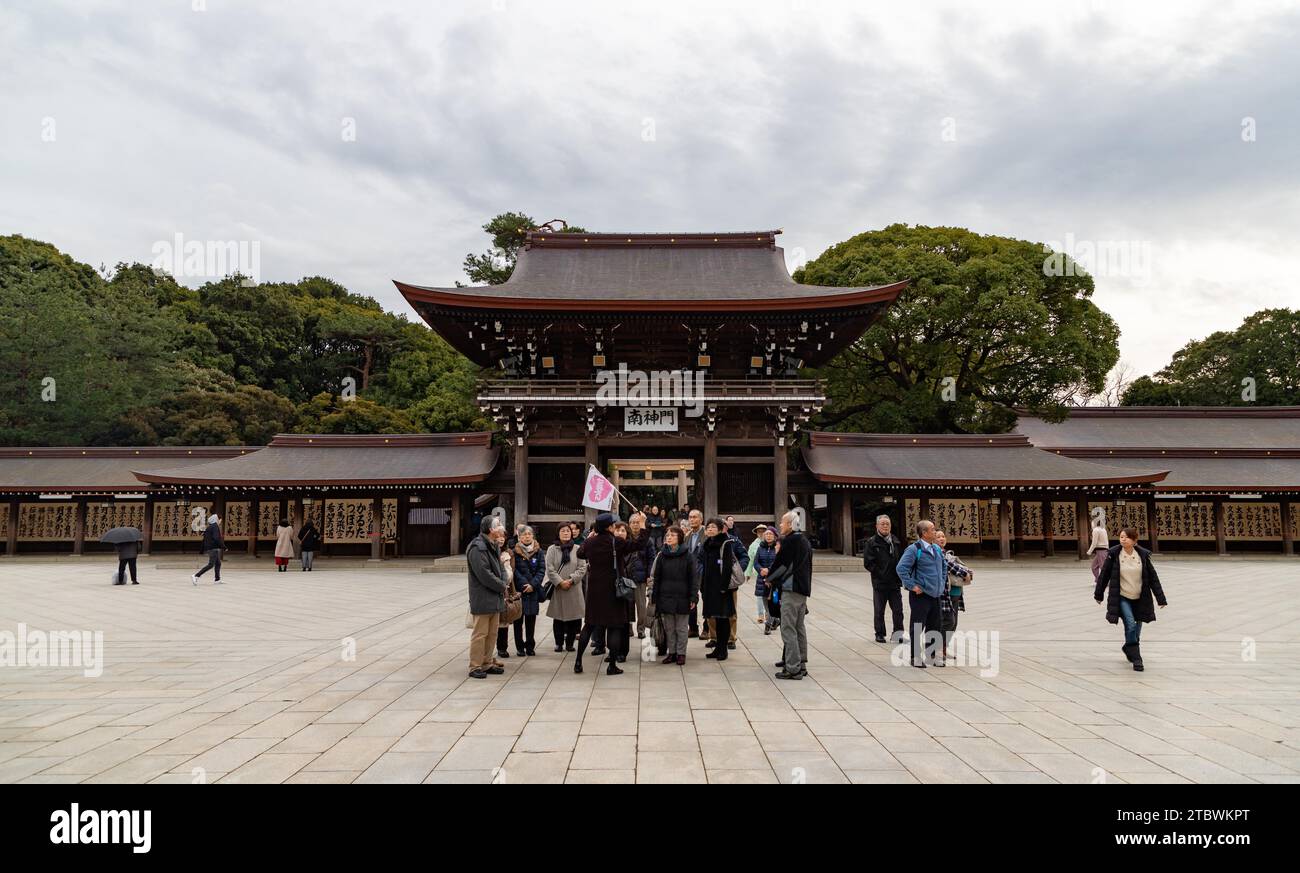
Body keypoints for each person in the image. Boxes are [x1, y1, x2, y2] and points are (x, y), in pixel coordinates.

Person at [1094, 526, 1167, 672]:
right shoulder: (1114, 554)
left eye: (1126, 537)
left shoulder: (1143, 555)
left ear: (1134, 540)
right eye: (1121, 537)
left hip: (1140, 596)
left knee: (1137, 627)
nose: (1123, 539)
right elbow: (1104, 575)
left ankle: (1129, 647)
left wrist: (1161, 598)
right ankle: (1137, 658)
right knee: (1130, 624)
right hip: (1122, 596)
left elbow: (1153, 578)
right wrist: (1099, 594)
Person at [574, 512, 634, 675]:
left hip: (594, 590)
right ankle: (612, 665)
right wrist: (642, 526)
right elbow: (638, 544)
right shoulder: (617, 542)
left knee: (589, 625)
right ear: (609, 527)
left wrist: (590, 537)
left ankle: (578, 662)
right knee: (614, 627)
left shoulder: (591, 542)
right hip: (613, 590)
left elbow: (580, 553)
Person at [768, 511, 813, 679]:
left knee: (788, 628)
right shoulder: (804, 540)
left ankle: (792, 668)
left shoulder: (791, 541)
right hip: (802, 590)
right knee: (799, 627)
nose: (780, 525)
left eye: (782, 522)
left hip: (791, 589)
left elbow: (781, 565)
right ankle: (801, 664)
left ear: (790, 524)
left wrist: (770, 578)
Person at [896, 520, 946, 668]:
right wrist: (912, 586)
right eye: (932, 529)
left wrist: (941, 584)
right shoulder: (914, 549)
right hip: (920, 595)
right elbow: (901, 568)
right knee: (918, 627)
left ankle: (932, 656)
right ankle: (915, 657)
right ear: (924, 533)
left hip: (936, 594)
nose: (935, 531)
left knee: (935, 626)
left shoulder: (936, 549)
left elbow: (943, 567)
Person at [649, 526, 699, 665]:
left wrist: (693, 596)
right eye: (667, 535)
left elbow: (693, 578)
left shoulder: (688, 556)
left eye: (672, 535)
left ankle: (681, 653)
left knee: (681, 628)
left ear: (680, 538)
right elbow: (657, 577)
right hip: (665, 596)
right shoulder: (662, 555)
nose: (668, 537)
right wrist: (654, 596)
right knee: (669, 628)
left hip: (683, 596)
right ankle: (672, 652)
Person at [466, 517, 508, 679]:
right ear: (491, 530)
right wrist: (502, 585)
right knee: (480, 633)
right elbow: (484, 574)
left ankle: (487, 662)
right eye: (498, 525)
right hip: (483, 597)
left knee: (492, 633)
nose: (502, 527)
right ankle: (475, 665)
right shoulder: (478, 547)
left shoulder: (494, 545)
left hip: (495, 596)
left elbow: (501, 568)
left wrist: (503, 581)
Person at [698, 519, 740, 661]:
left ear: (721, 529)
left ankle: (723, 649)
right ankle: (717, 648)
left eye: (713, 527)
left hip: (722, 587)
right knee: (715, 617)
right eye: (708, 527)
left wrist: (723, 587)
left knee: (723, 618)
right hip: (709, 587)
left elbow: (727, 566)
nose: (710, 529)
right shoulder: (707, 544)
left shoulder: (725, 543)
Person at [545, 522, 586, 653]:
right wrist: (560, 582)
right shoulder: (552, 549)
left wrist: (571, 579)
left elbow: (582, 567)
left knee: (574, 618)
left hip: (573, 587)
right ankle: (558, 643)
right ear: (558, 533)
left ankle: (570, 643)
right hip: (559, 588)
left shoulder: (578, 548)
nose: (566, 533)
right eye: (563, 531)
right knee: (558, 618)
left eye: (568, 531)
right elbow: (550, 569)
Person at [864, 515, 905, 644]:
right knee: (879, 610)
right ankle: (880, 633)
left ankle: (898, 633)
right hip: (880, 583)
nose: (885, 526)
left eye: (887, 524)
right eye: (882, 524)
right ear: (877, 526)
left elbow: (902, 560)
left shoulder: (895, 541)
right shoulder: (872, 542)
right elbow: (868, 563)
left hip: (894, 583)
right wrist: (879, 573)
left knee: (898, 610)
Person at [935, 530, 973, 659]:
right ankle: (938, 648)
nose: (941, 539)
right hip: (945, 593)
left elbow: (964, 567)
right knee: (948, 621)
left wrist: (967, 572)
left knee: (954, 622)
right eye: (938, 537)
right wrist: (965, 573)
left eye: (943, 536)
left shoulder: (948, 553)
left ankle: (944, 648)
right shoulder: (936, 552)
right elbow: (948, 565)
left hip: (956, 592)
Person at [510, 525, 545, 656]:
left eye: (529, 534)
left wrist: (533, 584)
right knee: (518, 621)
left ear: (533, 536)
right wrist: (525, 584)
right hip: (520, 591)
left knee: (531, 620)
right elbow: (514, 571)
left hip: (533, 591)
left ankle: (530, 646)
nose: (527, 536)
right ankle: (519, 647)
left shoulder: (539, 551)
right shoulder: (514, 552)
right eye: (524, 534)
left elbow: (542, 570)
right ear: (519, 537)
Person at [625, 512, 656, 641]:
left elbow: (651, 558)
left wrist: (649, 575)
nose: (635, 525)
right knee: (627, 604)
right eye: (633, 522)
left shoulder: (647, 540)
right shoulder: (625, 538)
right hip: (627, 576)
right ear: (629, 524)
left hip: (641, 576)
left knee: (641, 605)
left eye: (638, 522)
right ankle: (628, 628)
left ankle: (641, 629)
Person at [751, 526, 778, 633]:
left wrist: (769, 570)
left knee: (774, 602)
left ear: (775, 536)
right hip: (761, 578)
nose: (768, 536)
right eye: (766, 534)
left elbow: (778, 562)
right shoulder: (760, 547)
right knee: (765, 600)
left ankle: (769, 623)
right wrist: (761, 570)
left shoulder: (778, 547)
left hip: (774, 579)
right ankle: (772, 620)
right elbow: (755, 561)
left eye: (770, 534)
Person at [683, 509, 706, 637]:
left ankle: (707, 628)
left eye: (695, 517)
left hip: (704, 571)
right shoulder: (688, 535)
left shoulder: (706, 534)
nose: (692, 519)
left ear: (701, 520)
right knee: (691, 598)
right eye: (690, 517)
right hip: (691, 572)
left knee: (706, 599)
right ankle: (693, 627)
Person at [496, 539, 517, 660]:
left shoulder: (509, 553)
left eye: (503, 537)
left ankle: (502, 647)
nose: (500, 539)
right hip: (491, 588)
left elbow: (511, 572)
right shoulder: (487, 552)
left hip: (505, 588)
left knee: (504, 619)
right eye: (498, 536)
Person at [192, 514, 225, 585]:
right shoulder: (215, 526)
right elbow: (217, 538)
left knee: (218, 563)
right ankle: (196, 575)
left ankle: (217, 579)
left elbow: (205, 539)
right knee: (211, 564)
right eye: (220, 520)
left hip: (211, 548)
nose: (220, 522)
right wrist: (223, 547)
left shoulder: (209, 527)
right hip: (213, 548)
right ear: (217, 519)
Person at [1088, 518, 1110, 584]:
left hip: (1101, 550)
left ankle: (1106, 581)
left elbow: (1094, 542)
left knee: (1103, 567)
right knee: (1094, 566)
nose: (1091, 524)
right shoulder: (1103, 529)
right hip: (1103, 550)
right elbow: (1107, 541)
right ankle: (1099, 580)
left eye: (1092, 523)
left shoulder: (1095, 530)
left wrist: (1089, 551)